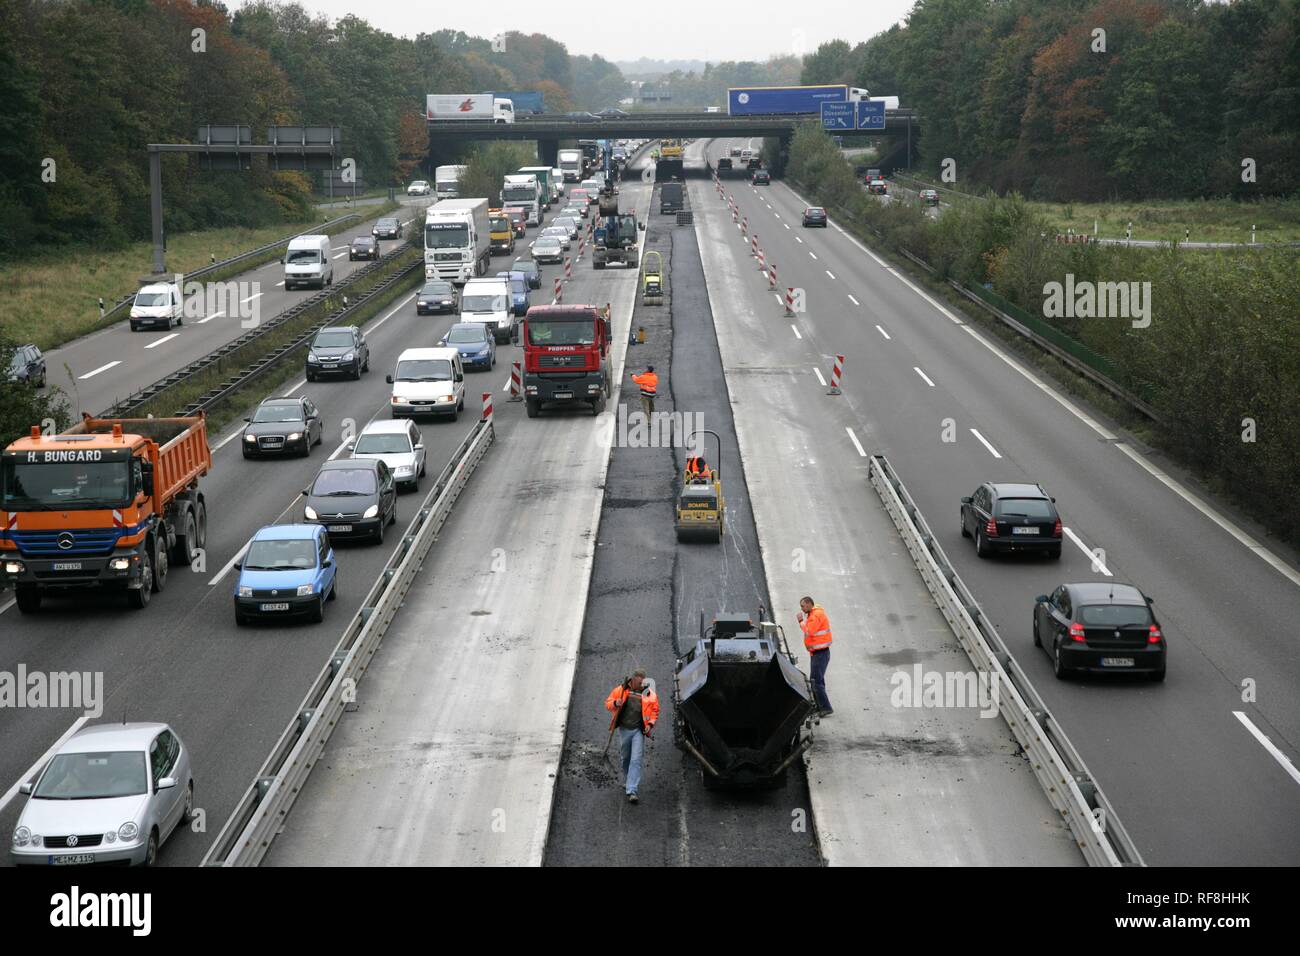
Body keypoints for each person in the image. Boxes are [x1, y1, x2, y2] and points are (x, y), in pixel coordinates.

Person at [605, 670, 659, 804]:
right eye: (639, 682)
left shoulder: (649, 694)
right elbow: (608, 703)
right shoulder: (621, 690)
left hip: (638, 731)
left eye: (643, 682)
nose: (642, 685)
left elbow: (654, 710)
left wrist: (650, 724)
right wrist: (616, 703)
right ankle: (629, 779)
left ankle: (632, 790)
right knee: (626, 758)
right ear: (633, 680)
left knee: (636, 759)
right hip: (624, 730)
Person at [797, 596, 833, 716]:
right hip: (819, 653)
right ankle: (820, 706)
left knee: (816, 681)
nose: (801, 608)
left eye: (802, 606)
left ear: (808, 604)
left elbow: (809, 631)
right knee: (817, 681)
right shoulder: (814, 614)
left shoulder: (815, 616)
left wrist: (801, 622)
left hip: (820, 654)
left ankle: (825, 707)